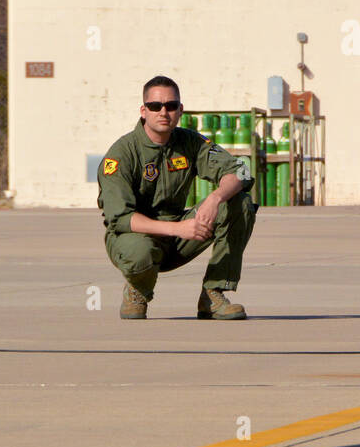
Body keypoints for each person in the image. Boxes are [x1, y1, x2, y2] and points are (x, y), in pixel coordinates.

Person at [97, 75, 257, 320]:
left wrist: (215, 198)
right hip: (135, 238)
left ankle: (212, 294)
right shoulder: (121, 154)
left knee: (239, 202)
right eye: (155, 106)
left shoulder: (190, 142)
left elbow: (241, 171)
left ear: (180, 110)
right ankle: (137, 288)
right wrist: (178, 228)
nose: (164, 112)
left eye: (171, 106)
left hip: (179, 237)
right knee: (139, 252)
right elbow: (119, 218)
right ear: (143, 110)